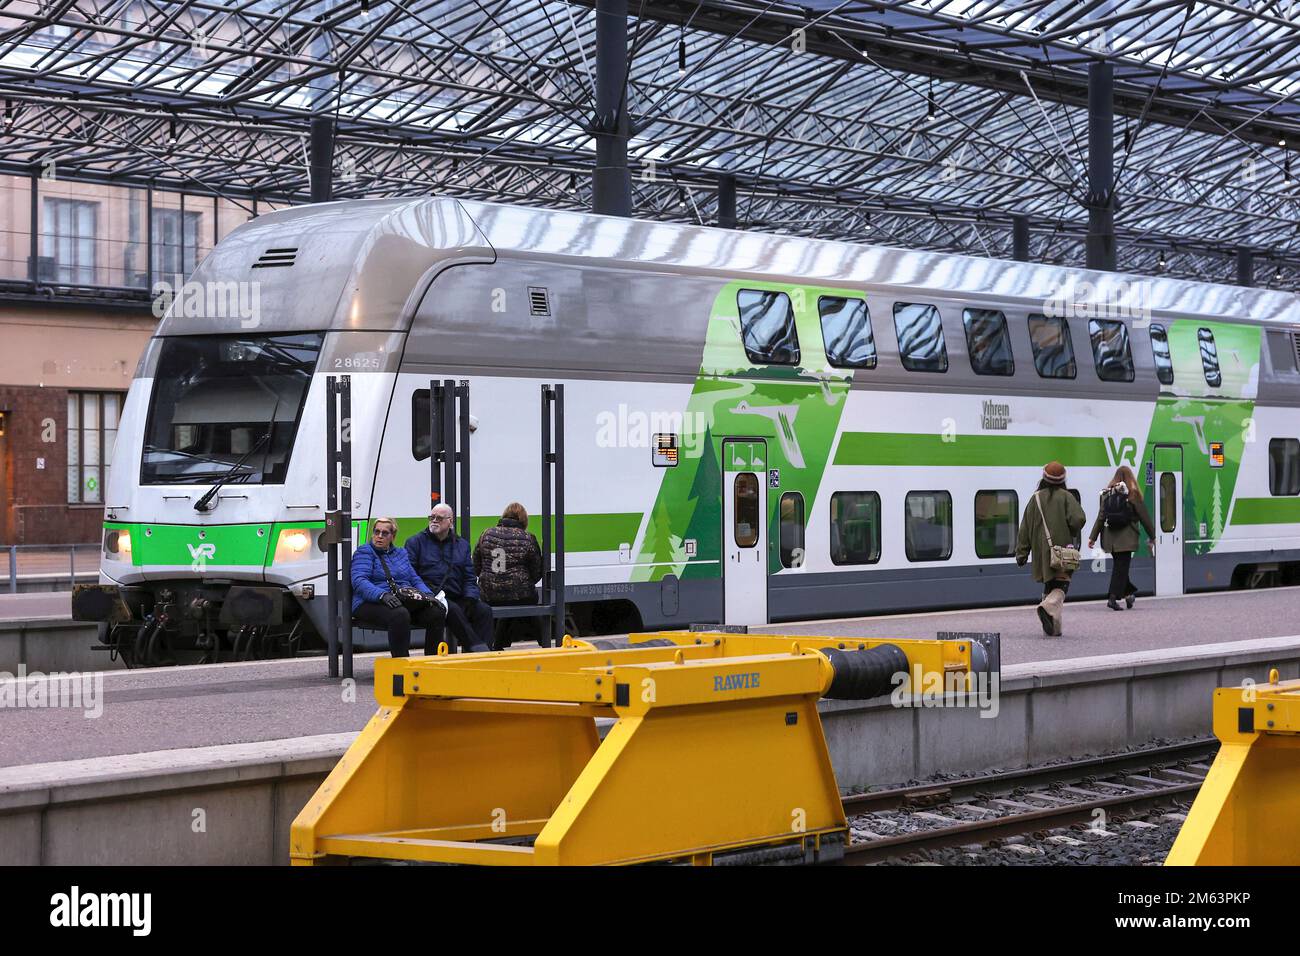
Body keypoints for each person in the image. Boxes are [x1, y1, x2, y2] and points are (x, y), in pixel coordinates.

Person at [351, 517, 447, 657]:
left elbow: (414, 579)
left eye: (385, 533)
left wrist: (428, 596)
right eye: (376, 532)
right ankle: (401, 662)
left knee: (436, 612)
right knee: (399, 614)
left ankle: (431, 661)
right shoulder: (364, 552)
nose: (379, 536)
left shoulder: (401, 553)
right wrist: (382, 595)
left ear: (393, 536)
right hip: (368, 602)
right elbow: (359, 581)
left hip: (400, 599)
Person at [405, 503, 494, 653]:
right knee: (450, 608)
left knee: (484, 611)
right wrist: (430, 594)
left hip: (457, 596)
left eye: (439, 518)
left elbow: (469, 577)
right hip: (430, 598)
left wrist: (470, 598)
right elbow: (410, 576)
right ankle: (478, 649)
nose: (434, 521)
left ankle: (479, 657)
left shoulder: (462, 545)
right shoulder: (415, 543)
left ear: (450, 521)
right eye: (431, 517)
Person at [1015, 460, 1086, 636]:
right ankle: (1047, 607)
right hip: (1062, 550)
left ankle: (1054, 628)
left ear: (1044, 478)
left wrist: (1021, 553)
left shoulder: (1035, 498)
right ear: (1063, 479)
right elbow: (1079, 519)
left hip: (1041, 552)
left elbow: (1024, 528)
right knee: (1061, 585)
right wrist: (1071, 529)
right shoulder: (1066, 497)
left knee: (1050, 585)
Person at [473, 502, 545, 649]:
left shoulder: (486, 534)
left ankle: (498, 645)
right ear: (523, 519)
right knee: (519, 598)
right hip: (521, 595)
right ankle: (545, 642)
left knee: (505, 598)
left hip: (488, 595)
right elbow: (537, 572)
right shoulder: (528, 538)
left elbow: (476, 566)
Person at [1088, 464, 1157, 611]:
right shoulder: (1133, 494)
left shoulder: (1106, 494)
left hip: (1110, 540)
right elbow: (1144, 517)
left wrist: (1092, 537)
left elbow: (1101, 518)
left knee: (1121, 568)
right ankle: (1112, 598)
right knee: (1121, 568)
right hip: (1127, 539)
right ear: (1131, 478)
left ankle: (1129, 594)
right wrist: (1153, 536)